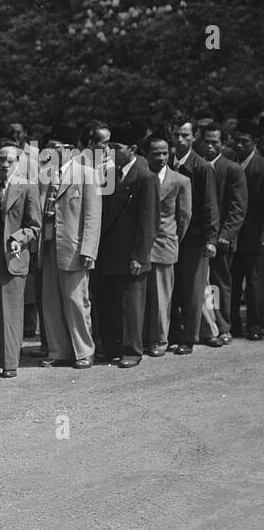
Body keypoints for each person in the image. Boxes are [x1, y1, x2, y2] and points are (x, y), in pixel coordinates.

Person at [93, 126, 157, 368]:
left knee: (131, 305)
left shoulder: (145, 177)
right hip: (108, 251)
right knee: (108, 302)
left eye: (116, 147)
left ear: (132, 149)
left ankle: (132, 350)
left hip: (131, 253)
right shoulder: (110, 174)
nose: (110, 151)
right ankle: (111, 348)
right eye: (109, 146)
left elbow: (148, 221)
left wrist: (140, 256)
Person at [38, 130, 101, 369]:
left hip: (74, 248)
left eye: (59, 148)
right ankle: (59, 350)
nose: (54, 153)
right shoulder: (45, 176)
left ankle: (84, 350)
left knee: (77, 300)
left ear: (70, 149)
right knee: (51, 301)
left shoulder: (87, 174)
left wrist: (88, 249)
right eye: (50, 149)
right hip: (49, 244)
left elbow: (92, 216)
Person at [0, 139, 41, 377]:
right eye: (1, 159)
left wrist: (19, 237)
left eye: (10, 160)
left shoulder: (27, 187)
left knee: (11, 312)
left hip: (12, 255)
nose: (5, 165)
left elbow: (34, 225)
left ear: (18, 162)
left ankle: (9, 362)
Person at [166, 119, 220, 355]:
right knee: (175, 287)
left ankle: (189, 338)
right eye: (176, 134)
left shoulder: (202, 167)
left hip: (196, 237)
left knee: (194, 290)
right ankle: (175, 334)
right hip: (172, 236)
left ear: (194, 137)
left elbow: (210, 206)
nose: (180, 140)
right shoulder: (166, 162)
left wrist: (211, 239)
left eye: (185, 135)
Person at [196, 118, 246, 346]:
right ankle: (206, 327)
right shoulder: (197, 166)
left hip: (222, 240)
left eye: (215, 142)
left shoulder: (232, 170)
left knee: (218, 284)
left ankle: (223, 326)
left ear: (223, 143)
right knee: (200, 285)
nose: (210, 146)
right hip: (198, 237)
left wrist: (225, 236)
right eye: (206, 142)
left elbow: (238, 208)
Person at [142, 135, 191, 357]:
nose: (162, 158)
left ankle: (159, 341)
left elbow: (185, 217)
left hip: (164, 244)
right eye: (156, 154)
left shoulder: (180, 181)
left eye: (165, 153)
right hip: (140, 247)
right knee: (142, 297)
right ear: (146, 155)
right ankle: (141, 338)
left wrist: (173, 239)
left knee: (162, 299)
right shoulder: (141, 177)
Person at [230, 118, 264, 339]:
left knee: (254, 281)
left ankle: (255, 324)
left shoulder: (261, 166)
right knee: (232, 281)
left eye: (245, 141)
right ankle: (233, 324)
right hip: (233, 234)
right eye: (237, 141)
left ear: (255, 141)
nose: (240, 145)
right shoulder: (230, 163)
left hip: (255, 232)